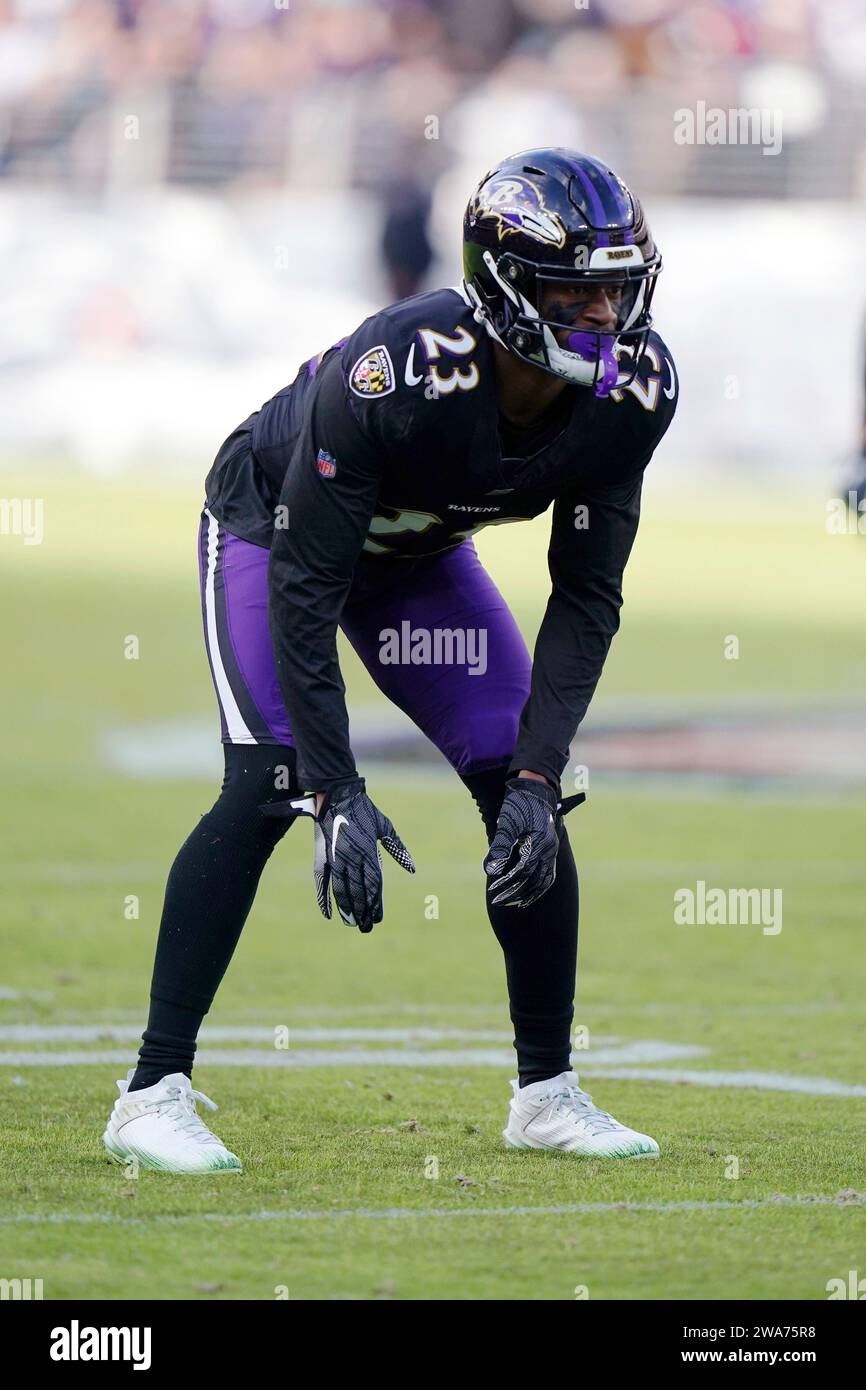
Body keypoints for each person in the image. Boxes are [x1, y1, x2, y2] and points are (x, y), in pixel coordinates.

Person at [102, 148, 678, 1173]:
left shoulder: (631, 390)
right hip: (273, 534)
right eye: (573, 289)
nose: (601, 314)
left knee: (523, 794)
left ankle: (546, 1090)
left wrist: (543, 775)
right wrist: (334, 789)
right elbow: (306, 585)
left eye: (615, 288)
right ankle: (150, 1089)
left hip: (415, 562)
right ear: (506, 285)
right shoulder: (399, 367)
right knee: (265, 783)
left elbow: (587, 591)